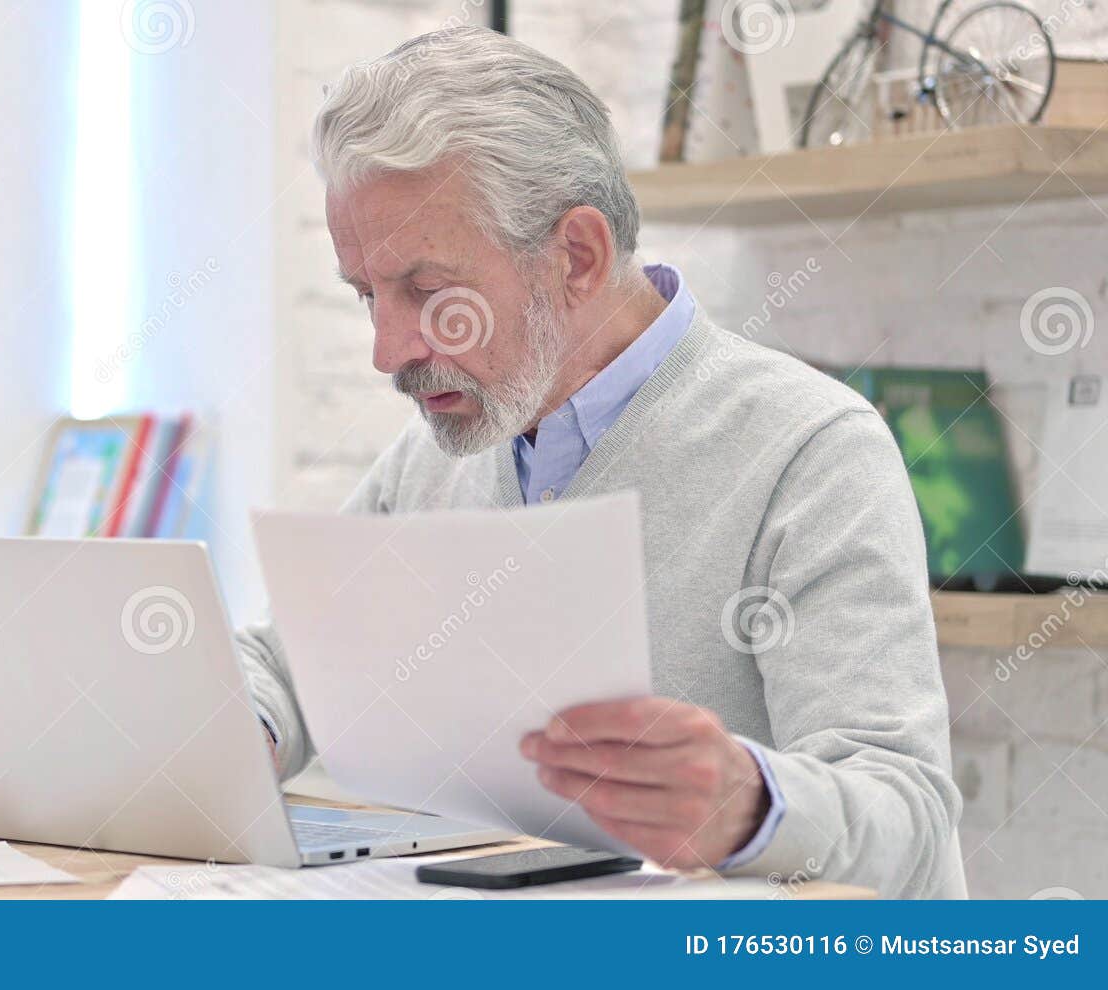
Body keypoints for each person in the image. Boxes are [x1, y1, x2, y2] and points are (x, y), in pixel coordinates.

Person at [238, 27, 964, 898]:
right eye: (367, 294)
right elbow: (289, 662)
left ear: (575, 256)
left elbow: (908, 821)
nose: (388, 351)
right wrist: (241, 727)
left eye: (429, 292)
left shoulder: (812, 452)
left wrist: (750, 804)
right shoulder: (435, 458)